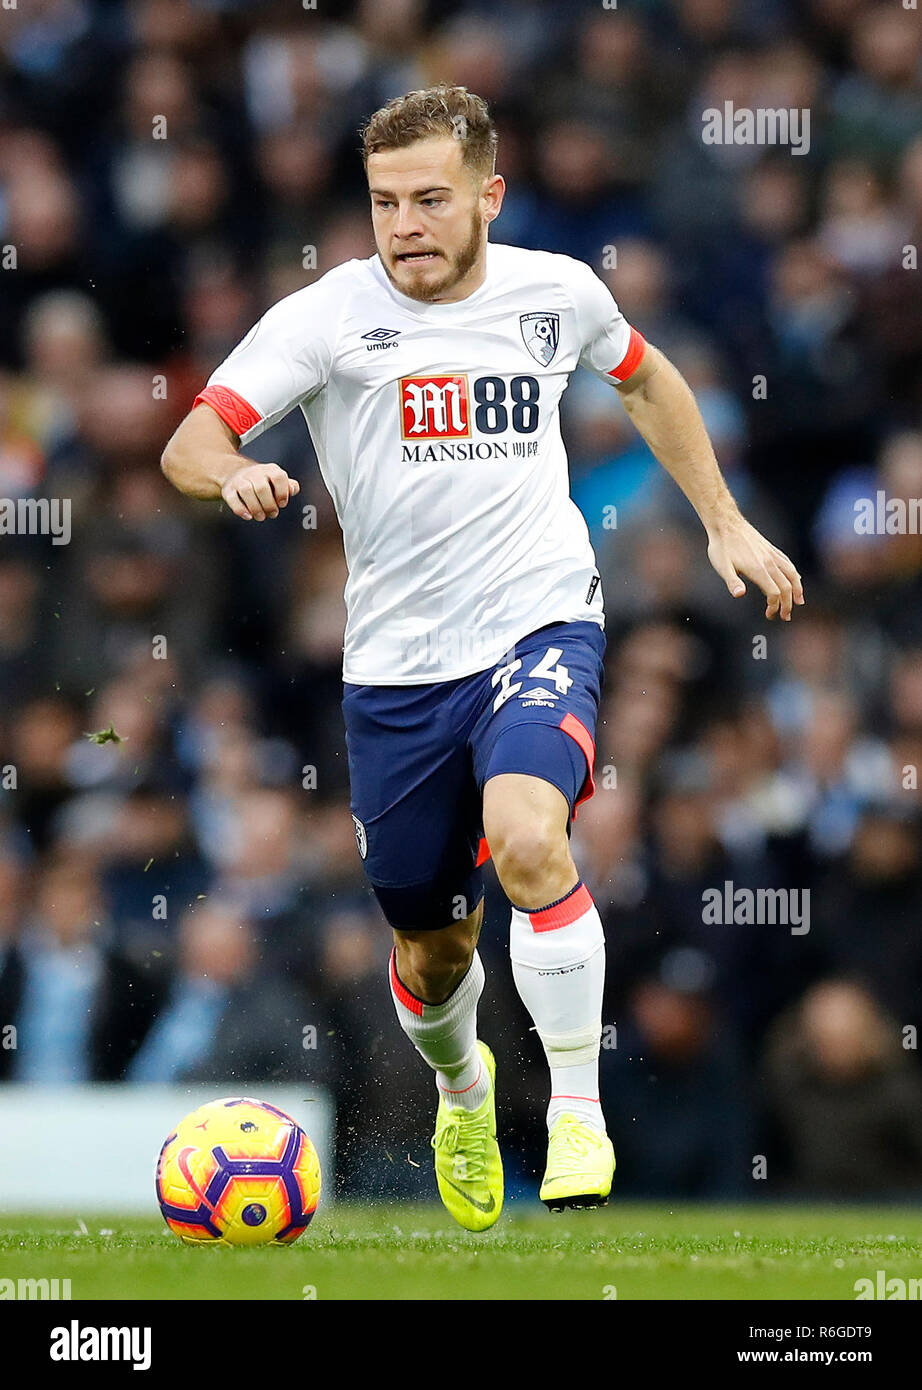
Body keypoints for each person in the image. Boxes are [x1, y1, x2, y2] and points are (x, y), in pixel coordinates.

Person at [160, 84, 803, 1230]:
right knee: (431, 943)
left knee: (526, 838)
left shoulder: (559, 292)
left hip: (539, 621)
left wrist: (720, 518)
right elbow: (189, 439)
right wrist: (235, 471)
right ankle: (463, 1087)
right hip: (398, 669)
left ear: (488, 197)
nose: (402, 222)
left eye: (428, 199)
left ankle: (575, 1110)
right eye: (382, 202)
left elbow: (646, 378)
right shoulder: (325, 315)